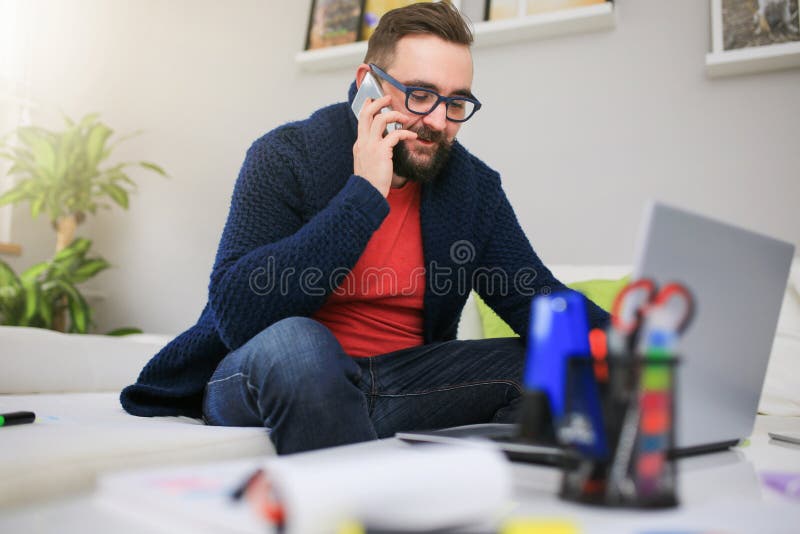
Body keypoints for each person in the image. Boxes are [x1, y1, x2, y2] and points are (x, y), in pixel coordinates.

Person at [121, 2, 608, 454]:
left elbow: (536, 298)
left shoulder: (472, 187)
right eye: (420, 95)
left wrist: (637, 345)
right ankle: (365, 500)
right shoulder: (287, 155)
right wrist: (363, 196)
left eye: (456, 103)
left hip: (401, 385)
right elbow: (238, 313)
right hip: (269, 373)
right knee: (300, 343)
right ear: (366, 84)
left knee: (549, 363)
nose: (438, 121)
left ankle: (472, 493)